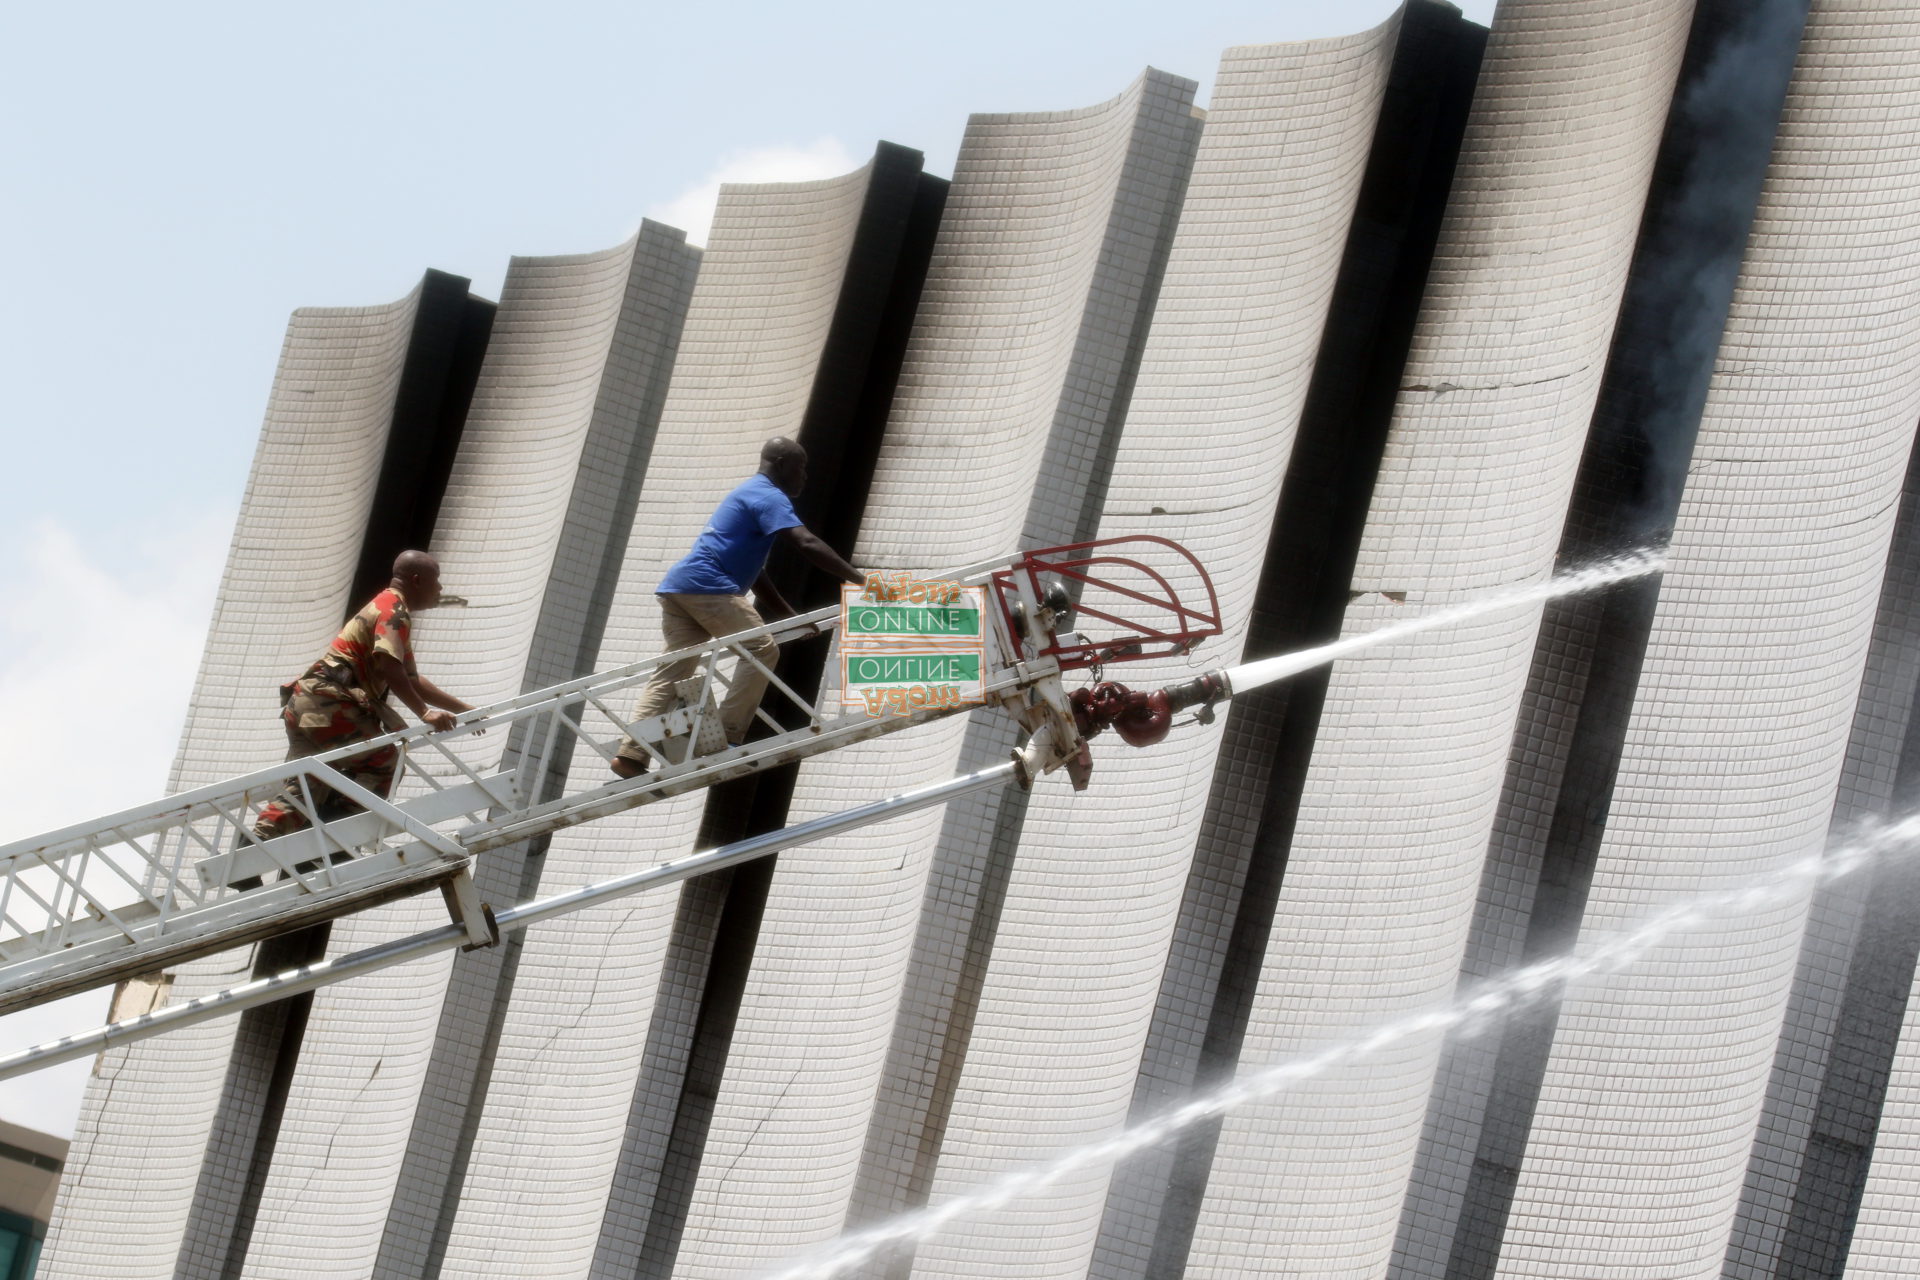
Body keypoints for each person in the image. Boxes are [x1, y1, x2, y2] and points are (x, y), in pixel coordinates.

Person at [612, 437, 862, 777]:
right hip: (707, 587)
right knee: (761, 649)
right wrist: (860, 581)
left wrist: (789, 616)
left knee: (674, 670)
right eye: (800, 467)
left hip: (681, 588)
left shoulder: (750, 494)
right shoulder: (768, 496)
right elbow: (806, 542)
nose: (804, 476)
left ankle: (631, 754)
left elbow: (756, 573)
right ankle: (727, 736)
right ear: (779, 463)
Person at [252, 550, 478, 841]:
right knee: (384, 761)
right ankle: (336, 840)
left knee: (309, 780)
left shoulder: (387, 608)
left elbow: (413, 679)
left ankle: (252, 850)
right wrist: (424, 713)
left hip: (308, 703)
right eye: (437, 581)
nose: (441, 590)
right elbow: (390, 667)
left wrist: (465, 708)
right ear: (417, 580)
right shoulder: (393, 610)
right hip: (329, 702)